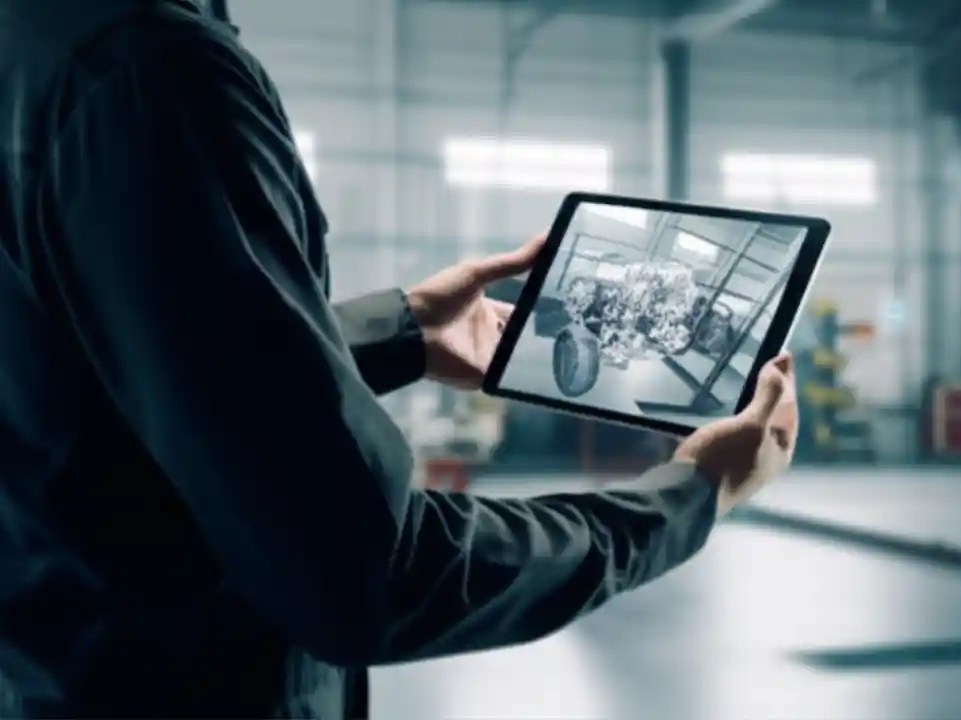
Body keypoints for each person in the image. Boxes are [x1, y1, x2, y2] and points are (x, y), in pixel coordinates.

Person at [0, 1, 798, 717]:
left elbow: (117, 368)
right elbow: (367, 574)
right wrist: (689, 497)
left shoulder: (37, 41)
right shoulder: (150, 72)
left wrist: (404, 330)